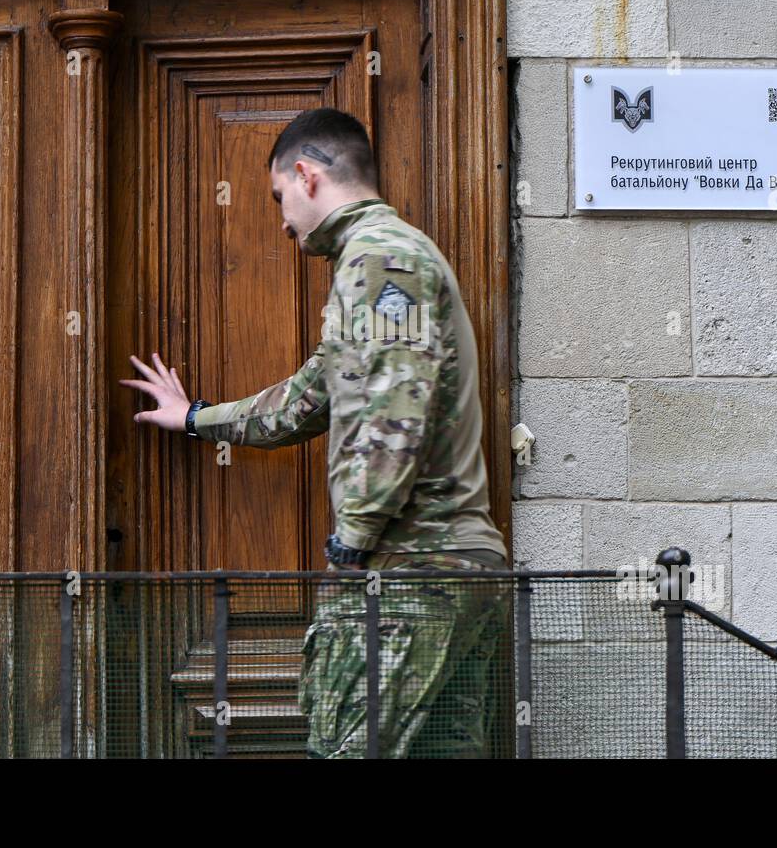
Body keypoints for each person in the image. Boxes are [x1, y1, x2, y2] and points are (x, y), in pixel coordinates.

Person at [121, 107, 509, 758]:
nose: (281, 220)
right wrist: (195, 416)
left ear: (306, 176)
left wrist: (351, 549)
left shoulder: (381, 258)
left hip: (408, 575)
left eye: (279, 197)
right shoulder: (384, 259)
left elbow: (394, 412)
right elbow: (306, 401)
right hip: (448, 575)